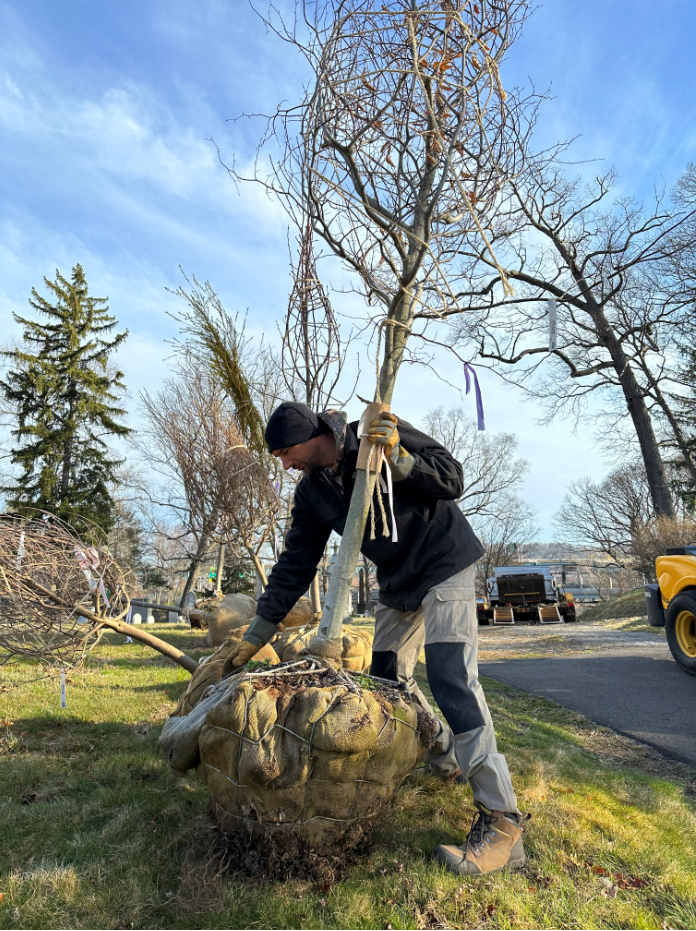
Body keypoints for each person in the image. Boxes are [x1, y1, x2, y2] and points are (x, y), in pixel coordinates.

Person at [225, 401, 526, 876]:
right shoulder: (312, 494)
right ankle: (446, 759)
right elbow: (294, 567)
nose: (285, 465)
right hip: (398, 581)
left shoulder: (377, 430)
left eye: (287, 452)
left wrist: (398, 459)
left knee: (452, 680)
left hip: (443, 562)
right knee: (388, 687)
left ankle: (503, 824)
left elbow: (451, 478)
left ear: (313, 434)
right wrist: (257, 633)